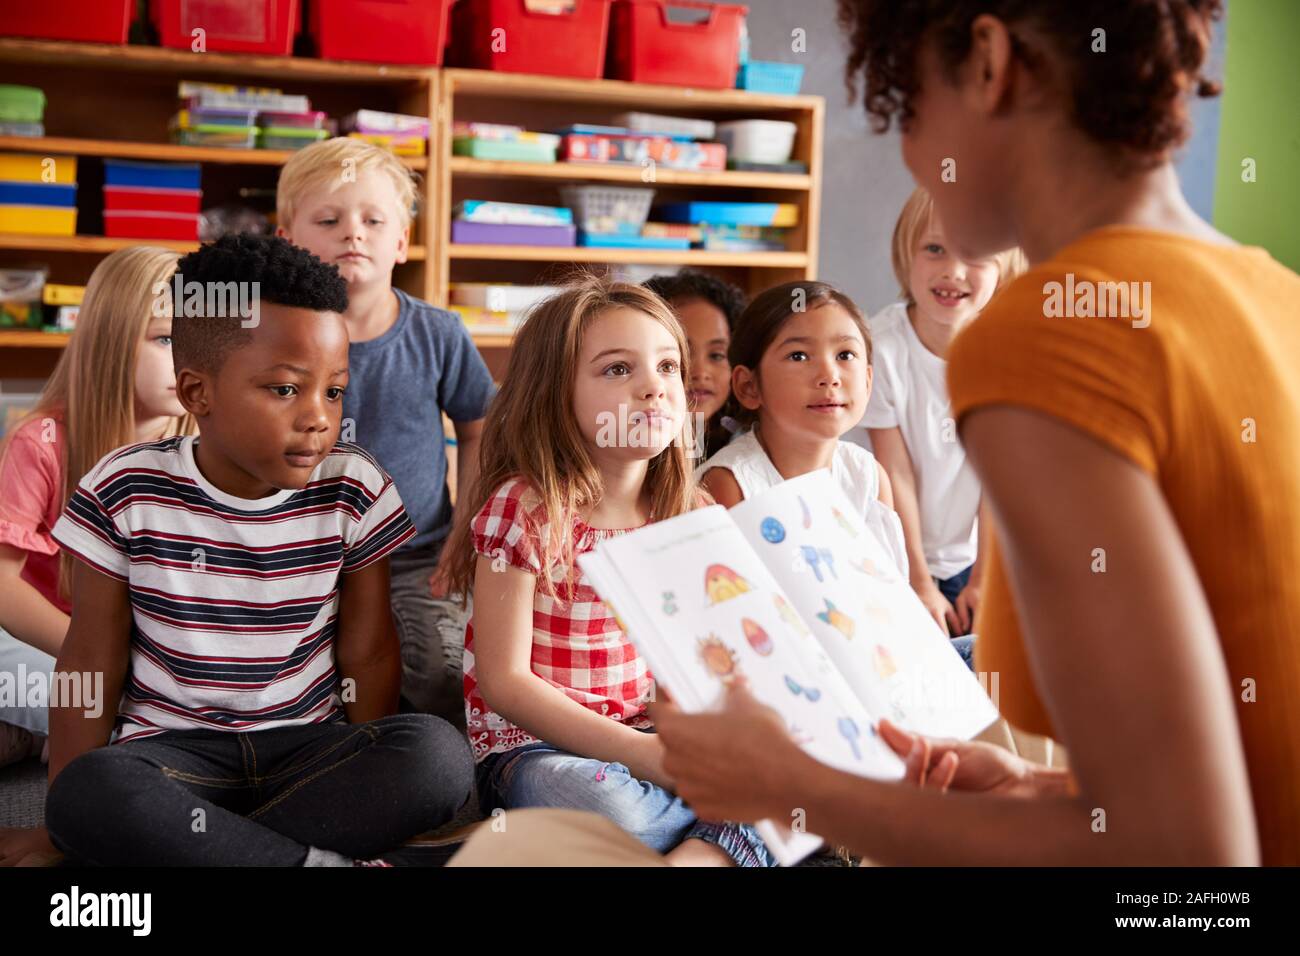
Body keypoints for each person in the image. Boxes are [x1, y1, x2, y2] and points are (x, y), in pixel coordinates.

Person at [653, 0, 1298, 865]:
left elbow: (1188, 864)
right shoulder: (1271, 293)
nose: (915, 152)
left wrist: (794, 786)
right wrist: (1041, 792)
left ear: (989, 65)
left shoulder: (1043, 336)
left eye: (906, 110)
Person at [41, 235, 472, 866]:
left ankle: (218, 853)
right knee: (87, 793)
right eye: (284, 389)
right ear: (198, 394)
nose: (318, 418)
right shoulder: (124, 487)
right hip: (174, 758)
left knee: (435, 756)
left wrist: (362, 757)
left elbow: (371, 649)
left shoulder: (355, 487)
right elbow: (90, 657)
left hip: (304, 754)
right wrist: (60, 822)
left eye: (334, 390)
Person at [442, 276, 777, 866]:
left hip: (653, 734)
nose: (654, 387)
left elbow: (693, 655)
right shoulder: (525, 507)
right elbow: (504, 682)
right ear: (555, 393)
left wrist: (685, 740)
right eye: (618, 370)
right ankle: (722, 840)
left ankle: (695, 847)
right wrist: (644, 760)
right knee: (593, 800)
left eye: (668, 367)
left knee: (787, 748)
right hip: (538, 750)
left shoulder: (689, 510)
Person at [277, 137, 495, 727]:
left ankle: (417, 760)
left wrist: (465, 532)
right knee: (286, 685)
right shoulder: (267, 337)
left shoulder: (439, 333)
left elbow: (479, 429)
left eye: (374, 220)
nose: (354, 233)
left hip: (416, 555)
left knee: (440, 678)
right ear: (287, 238)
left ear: (401, 242)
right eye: (329, 220)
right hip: (293, 553)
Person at [0, 247, 194, 768]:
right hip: (52, 645)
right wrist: (94, 658)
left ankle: (47, 732)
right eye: (166, 338)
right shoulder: (41, 441)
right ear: (110, 342)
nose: (189, 359)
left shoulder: (205, 452)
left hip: (147, 660)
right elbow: (3, 586)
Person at [642, 269, 746, 459]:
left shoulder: (741, 449)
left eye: (716, 355)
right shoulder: (625, 448)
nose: (700, 372)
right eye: (682, 354)